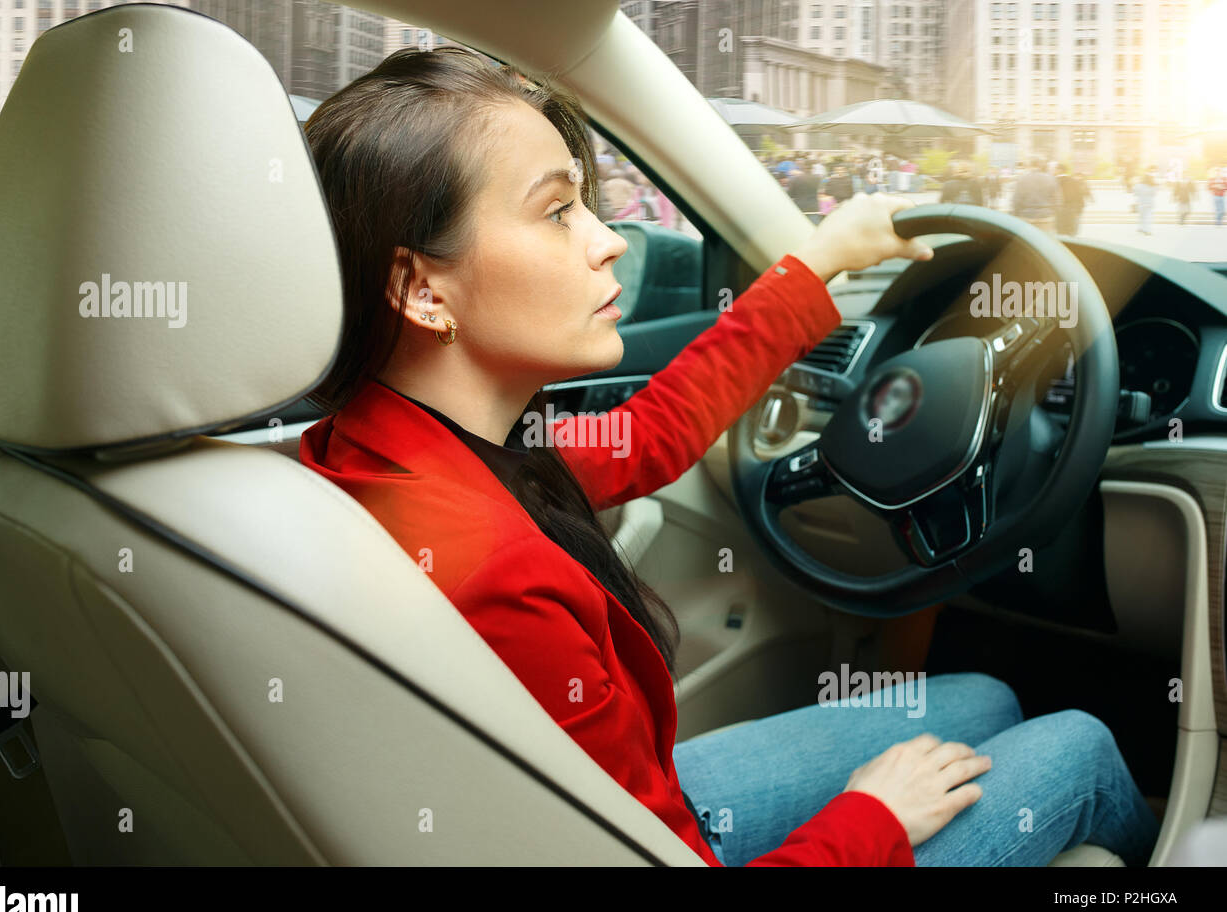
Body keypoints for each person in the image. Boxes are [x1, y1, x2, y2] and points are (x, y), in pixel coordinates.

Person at [298, 46, 1161, 867]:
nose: (612, 241)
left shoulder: (391, 451)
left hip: (623, 812)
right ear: (421, 289)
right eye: (559, 211)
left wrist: (819, 263)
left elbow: (643, 437)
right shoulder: (493, 578)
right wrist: (872, 819)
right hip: (653, 839)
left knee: (989, 701)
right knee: (1080, 746)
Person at [1011, 156, 1062, 232]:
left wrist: (1017, 214)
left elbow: (1016, 200)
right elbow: (1058, 200)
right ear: (1041, 165)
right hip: (1046, 217)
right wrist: (1053, 212)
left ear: (1030, 165)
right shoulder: (1051, 178)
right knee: (1044, 240)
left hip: (1027, 216)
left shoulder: (1022, 178)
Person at [1057, 171, 1092, 236]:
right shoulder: (1073, 183)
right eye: (1077, 176)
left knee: (1076, 220)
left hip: (1078, 206)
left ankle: (1074, 233)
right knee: (1074, 220)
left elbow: (1087, 192)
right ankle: (1073, 233)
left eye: (1079, 176)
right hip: (1074, 206)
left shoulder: (1082, 183)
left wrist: (1090, 198)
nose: (1078, 178)